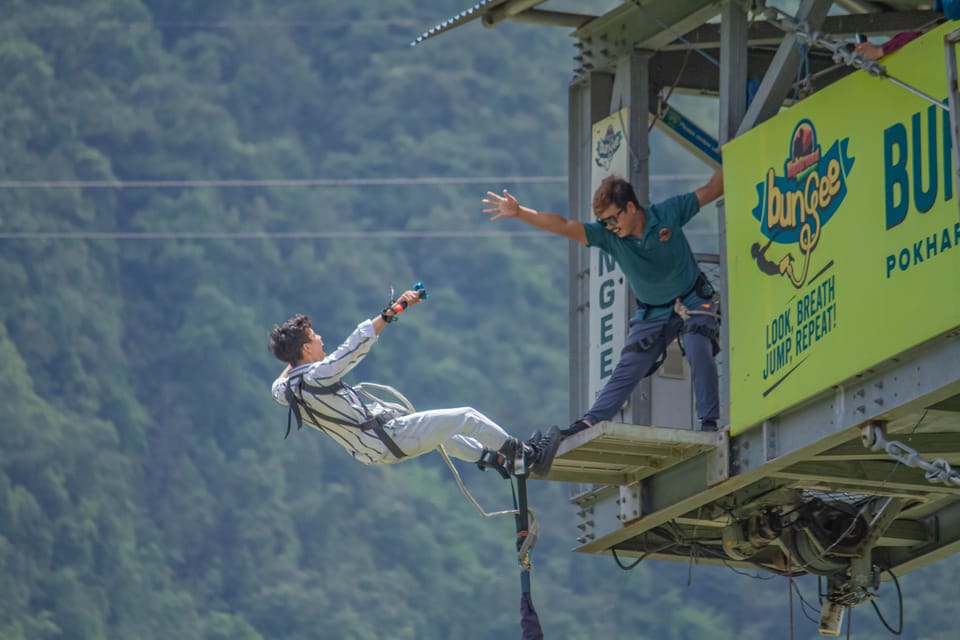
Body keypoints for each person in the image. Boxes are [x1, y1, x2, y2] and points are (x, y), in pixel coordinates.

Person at [483, 168, 724, 436]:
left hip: (691, 297)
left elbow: (712, 189)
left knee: (696, 342)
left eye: (612, 219)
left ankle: (709, 423)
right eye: (604, 222)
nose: (609, 227)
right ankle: (590, 422)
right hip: (652, 313)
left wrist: (732, 153)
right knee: (629, 364)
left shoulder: (668, 213)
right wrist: (519, 212)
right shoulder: (607, 236)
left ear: (630, 207)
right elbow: (564, 225)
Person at [268, 289, 561, 477]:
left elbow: (277, 385)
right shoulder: (318, 375)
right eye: (314, 337)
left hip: (373, 449)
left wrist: (291, 359)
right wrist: (395, 309)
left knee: (443, 432)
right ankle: (524, 454)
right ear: (306, 350)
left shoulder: (289, 390)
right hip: (386, 438)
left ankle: (494, 458)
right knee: (467, 416)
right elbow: (353, 347)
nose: (320, 339)